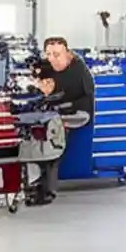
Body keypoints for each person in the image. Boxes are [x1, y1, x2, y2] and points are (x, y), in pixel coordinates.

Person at [32, 37, 94, 205]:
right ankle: (37, 182)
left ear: (67, 53)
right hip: (56, 111)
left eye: (57, 55)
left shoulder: (77, 71)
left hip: (78, 112)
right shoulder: (48, 65)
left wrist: (44, 89)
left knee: (53, 136)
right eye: (49, 54)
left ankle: (48, 190)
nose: (52, 59)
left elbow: (55, 92)